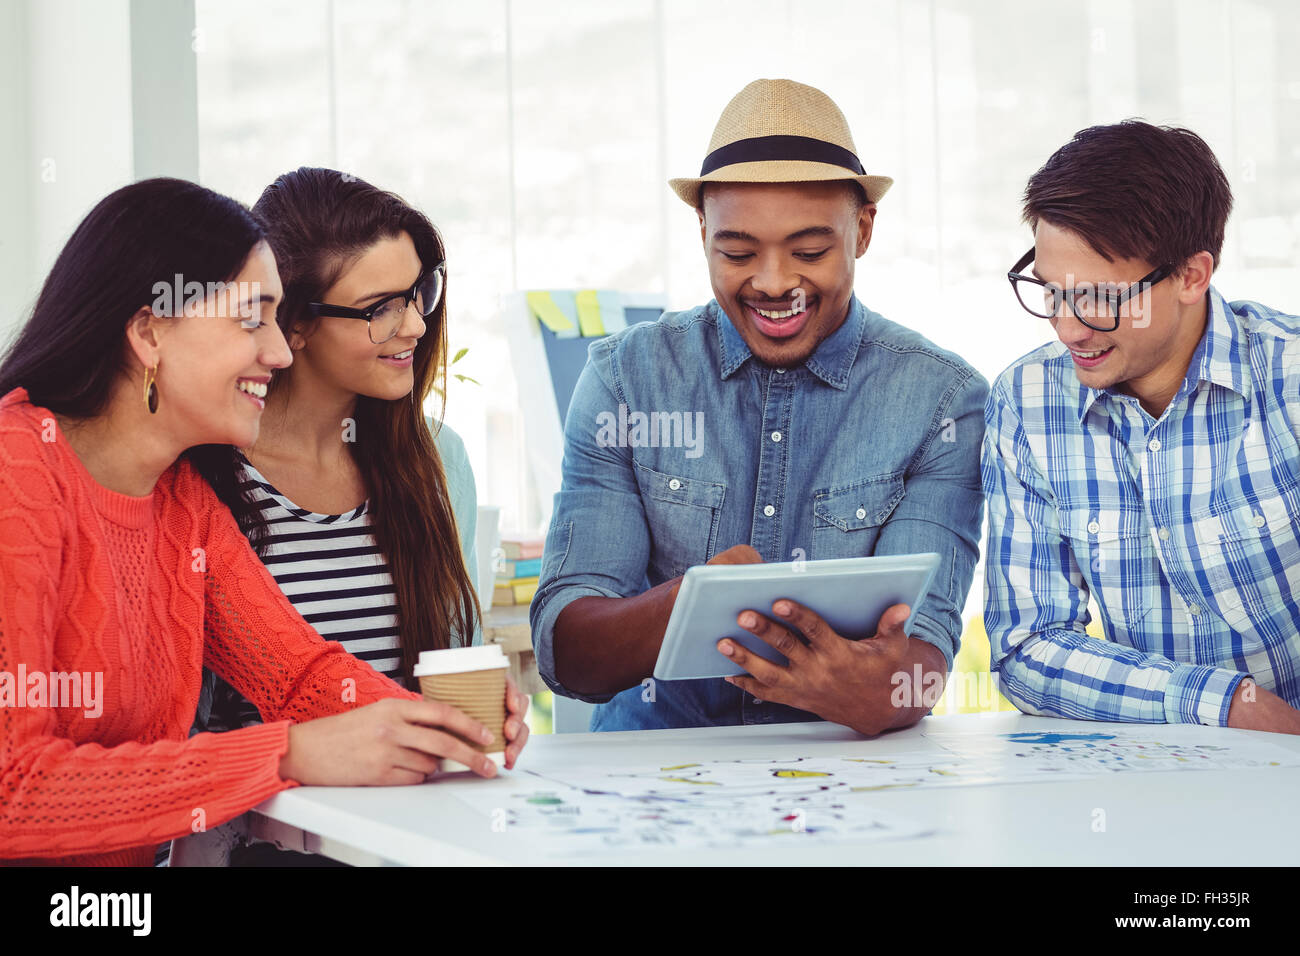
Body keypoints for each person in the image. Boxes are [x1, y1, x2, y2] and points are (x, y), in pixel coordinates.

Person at [0, 179, 511, 866]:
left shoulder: (180, 498)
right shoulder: (17, 474)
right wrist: (287, 751)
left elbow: (298, 677)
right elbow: (12, 792)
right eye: (251, 319)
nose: (278, 351)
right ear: (150, 331)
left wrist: (442, 726)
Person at [531, 79, 988, 733]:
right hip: (653, 782)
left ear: (862, 230)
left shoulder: (942, 401)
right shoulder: (626, 380)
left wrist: (881, 693)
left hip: (852, 782)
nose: (774, 283)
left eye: (809, 252)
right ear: (702, 232)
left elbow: (924, 657)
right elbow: (567, 657)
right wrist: (691, 604)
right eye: (738, 253)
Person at [983, 120, 1300, 733]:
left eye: (1101, 297)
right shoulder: (1026, 401)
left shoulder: (1289, 380)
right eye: (1051, 291)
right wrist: (1228, 705)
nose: (1069, 328)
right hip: (1145, 781)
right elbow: (1028, 647)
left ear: (1191, 275)